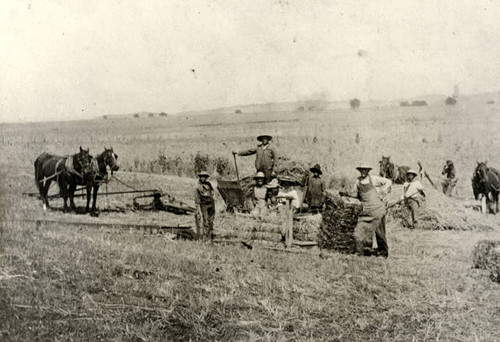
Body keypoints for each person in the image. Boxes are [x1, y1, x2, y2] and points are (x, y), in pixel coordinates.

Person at [340, 164, 392, 257]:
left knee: (380, 233)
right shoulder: (358, 181)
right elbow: (355, 194)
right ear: (359, 170)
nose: (363, 172)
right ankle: (361, 252)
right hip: (366, 211)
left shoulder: (374, 179)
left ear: (368, 171)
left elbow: (388, 181)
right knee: (358, 230)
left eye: (365, 170)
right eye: (362, 170)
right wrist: (345, 194)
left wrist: (382, 193)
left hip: (377, 209)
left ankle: (383, 253)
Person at [276, 176, 300, 241]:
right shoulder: (281, 192)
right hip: (283, 209)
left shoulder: (293, 192)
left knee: (288, 219)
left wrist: (292, 210)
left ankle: (288, 235)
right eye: (284, 183)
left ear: (290, 184)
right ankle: (283, 233)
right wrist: (281, 209)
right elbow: (279, 203)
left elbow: (296, 204)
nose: (286, 185)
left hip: (291, 208)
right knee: (283, 219)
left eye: (287, 183)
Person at [194, 171, 215, 241]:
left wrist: (210, 194)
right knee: (206, 220)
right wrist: (197, 208)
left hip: (211, 203)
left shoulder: (208, 184)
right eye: (202, 176)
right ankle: (205, 237)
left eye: (205, 177)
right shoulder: (197, 186)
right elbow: (196, 199)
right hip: (204, 204)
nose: (203, 178)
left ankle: (211, 235)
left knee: (211, 220)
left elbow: (212, 191)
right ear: (200, 177)